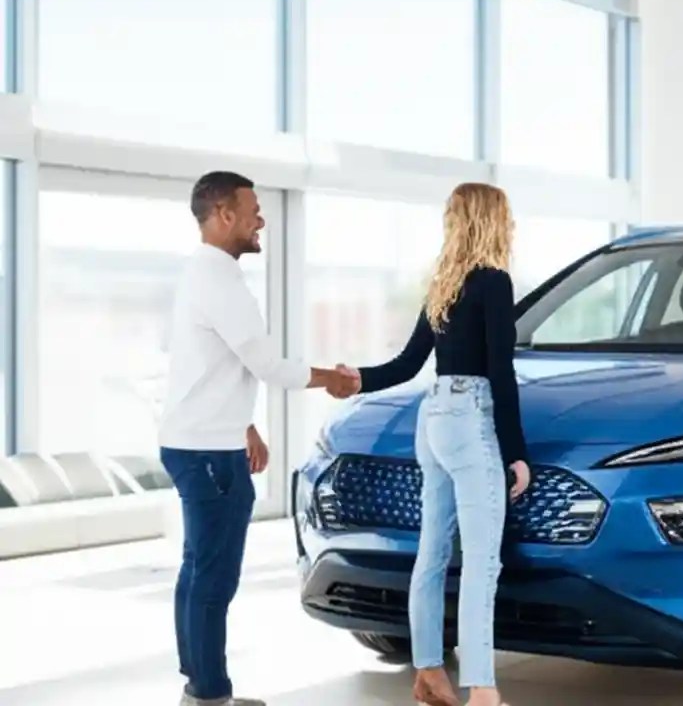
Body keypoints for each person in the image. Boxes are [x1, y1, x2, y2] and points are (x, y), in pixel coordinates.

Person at [159, 171, 358, 706]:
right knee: (214, 575)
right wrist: (332, 379)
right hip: (207, 453)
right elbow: (269, 364)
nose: (261, 219)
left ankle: (197, 680)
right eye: (253, 210)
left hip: (197, 440)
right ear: (224, 214)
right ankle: (209, 695)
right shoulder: (219, 279)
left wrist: (242, 423)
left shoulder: (198, 274)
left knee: (197, 565)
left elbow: (207, 362)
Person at [334, 182, 532, 706]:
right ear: (495, 221)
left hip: (434, 418)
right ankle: (484, 691)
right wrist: (516, 452)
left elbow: (406, 364)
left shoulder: (444, 283)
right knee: (482, 561)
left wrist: (360, 379)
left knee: (432, 554)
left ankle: (428, 673)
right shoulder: (493, 281)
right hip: (470, 417)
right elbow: (500, 373)